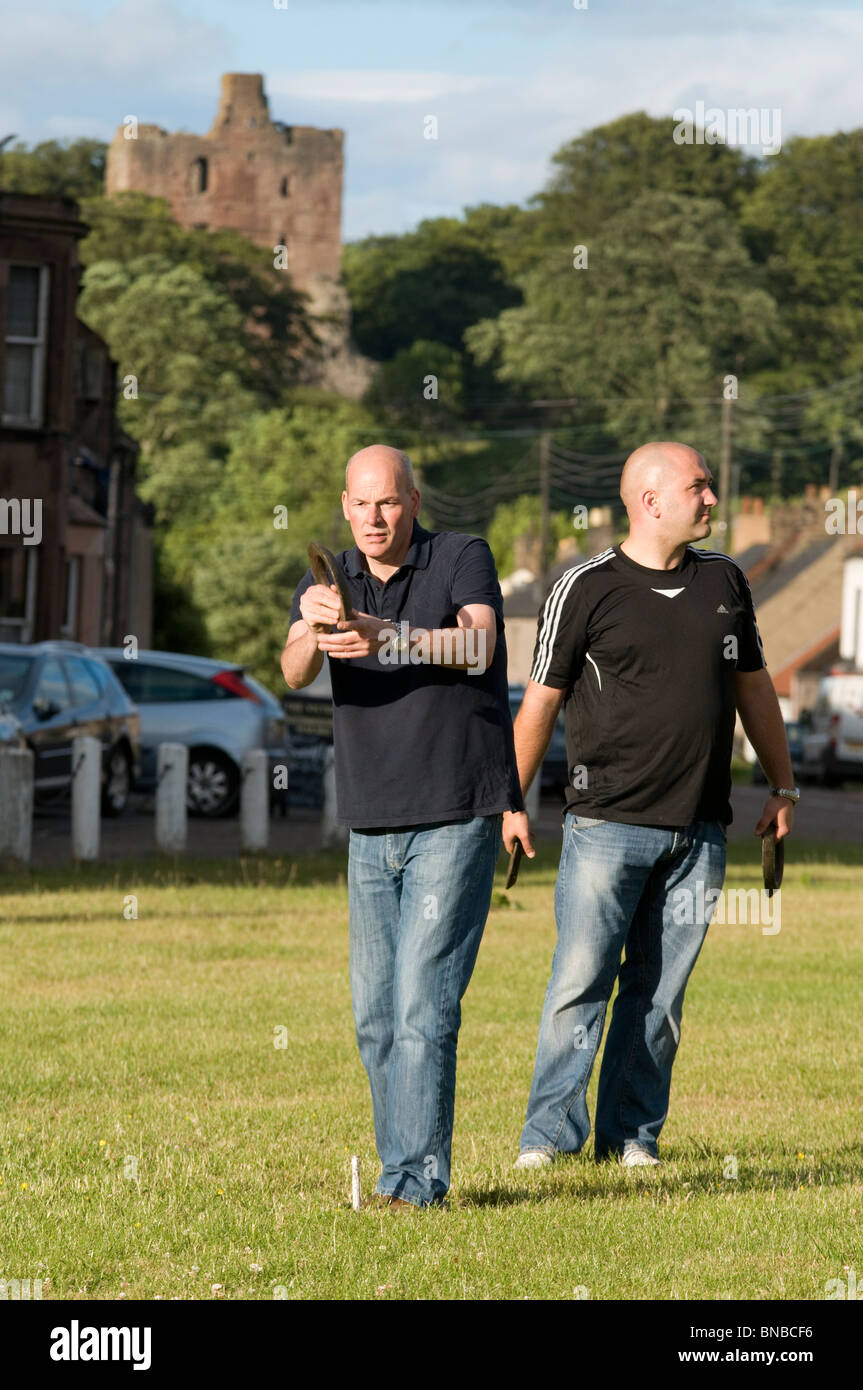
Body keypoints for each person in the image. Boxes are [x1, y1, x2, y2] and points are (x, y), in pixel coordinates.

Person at [502, 441, 797, 1170]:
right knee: (580, 985)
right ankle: (547, 1139)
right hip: (604, 825)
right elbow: (538, 703)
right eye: (697, 487)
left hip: (699, 832)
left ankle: (631, 1137)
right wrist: (511, 802)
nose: (710, 499)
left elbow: (753, 687)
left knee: (659, 996)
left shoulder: (726, 580)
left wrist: (783, 785)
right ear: (650, 499)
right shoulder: (582, 586)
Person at [282, 444, 523, 1208]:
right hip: (369, 818)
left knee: (423, 1003)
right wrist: (312, 625)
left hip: (453, 810)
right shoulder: (332, 580)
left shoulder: (459, 556)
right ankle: (399, 1173)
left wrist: (389, 636)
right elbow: (292, 670)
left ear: (413, 502)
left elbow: (480, 642)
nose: (374, 517)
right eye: (360, 504)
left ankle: (416, 1183)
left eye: (388, 502)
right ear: (344, 508)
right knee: (376, 1016)